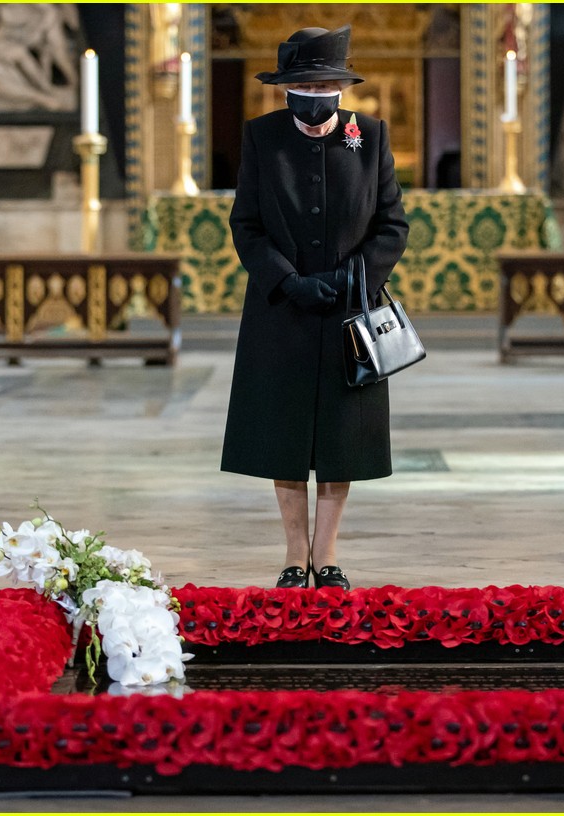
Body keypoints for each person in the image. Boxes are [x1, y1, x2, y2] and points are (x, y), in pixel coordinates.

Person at [222, 25, 409, 590]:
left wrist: (353, 276)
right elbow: (247, 225)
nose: (314, 92)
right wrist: (289, 281)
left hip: (350, 313)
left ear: (341, 88)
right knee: (282, 437)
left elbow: (392, 225)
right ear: (286, 90)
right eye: (303, 84)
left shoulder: (370, 136)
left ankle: (325, 557)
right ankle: (291, 555)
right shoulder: (263, 138)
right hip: (282, 312)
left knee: (339, 440)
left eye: (324, 83)